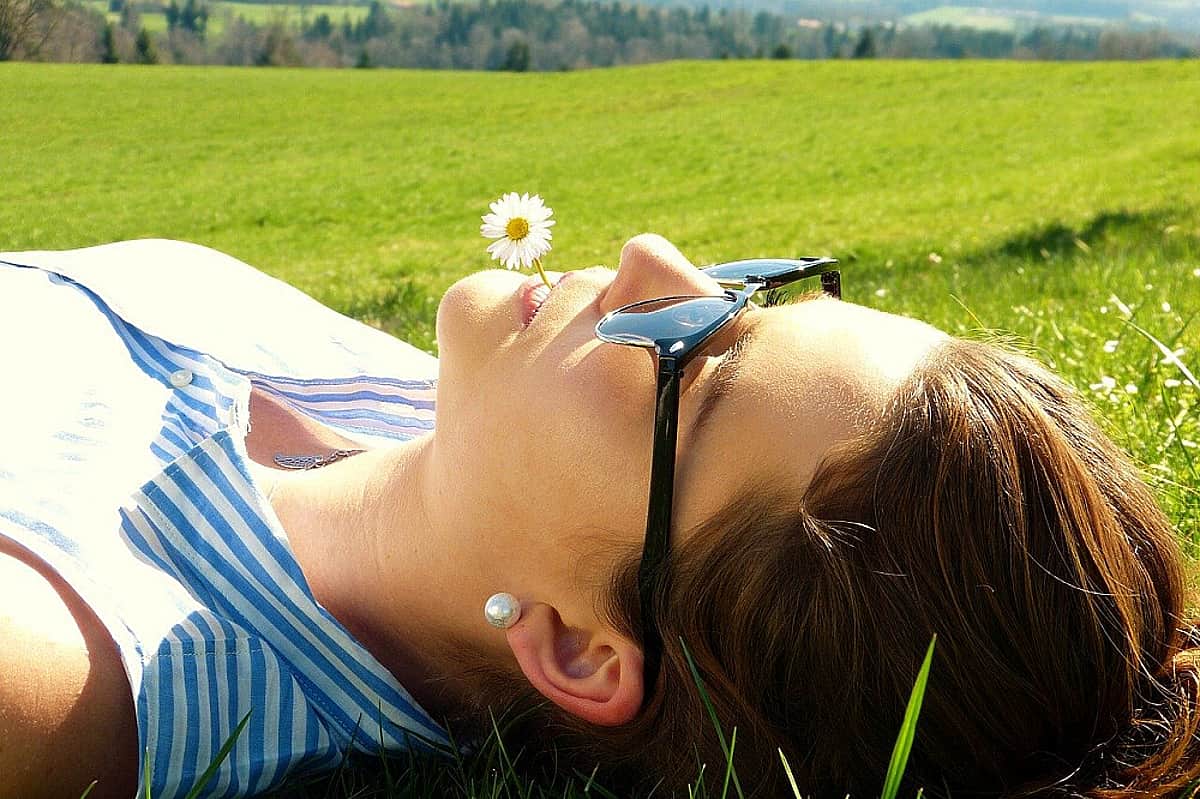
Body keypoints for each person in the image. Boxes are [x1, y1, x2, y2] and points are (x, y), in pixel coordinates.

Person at [0, 233, 1195, 799]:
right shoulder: (447, 415)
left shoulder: (69, 658)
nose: (652, 259)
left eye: (690, 361)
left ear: (581, 645)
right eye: (747, 295)